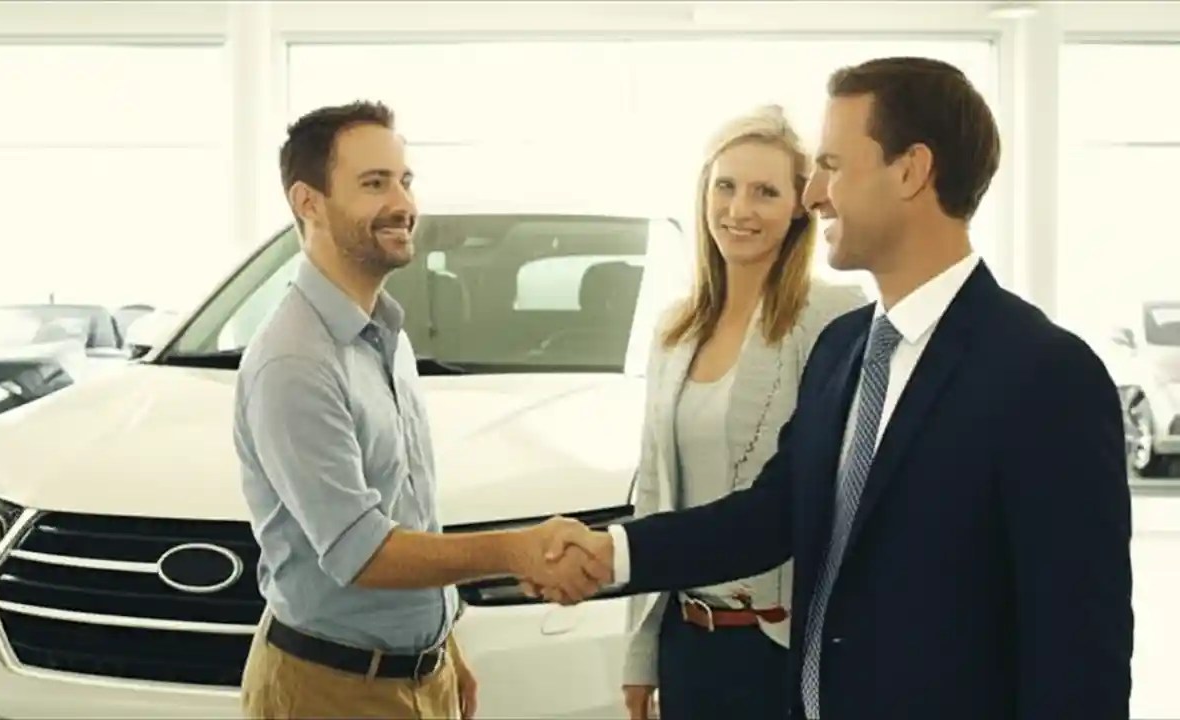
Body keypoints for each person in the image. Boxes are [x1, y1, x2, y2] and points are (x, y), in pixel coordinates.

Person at [539, 57, 1134, 720]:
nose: (815, 193)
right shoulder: (844, 349)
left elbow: (1080, 651)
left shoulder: (1045, 375)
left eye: (832, 165)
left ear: (910, 170)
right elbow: (773, 514)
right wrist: (614, 549)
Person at [233, 101, 609, 720]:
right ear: (309, 203)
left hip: (415, 674)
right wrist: (517, 550)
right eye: (374, 183)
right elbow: (362, 551)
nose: (403, 203)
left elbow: (410, 513)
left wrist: (442, 638)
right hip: (329, 692)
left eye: (405, 180)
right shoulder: (295, 362)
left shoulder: (386, 337)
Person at [620, 106, 864, 720]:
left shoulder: (832, 318)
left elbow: (835, 496)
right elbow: (655, 492)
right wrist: (640, 653)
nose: (739, 209)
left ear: (799, 207)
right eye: (725, 186)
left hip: (780, 644)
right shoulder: (674, 330)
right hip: (687, 639)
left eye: (765, 192)